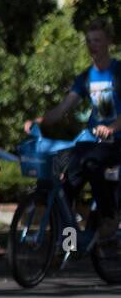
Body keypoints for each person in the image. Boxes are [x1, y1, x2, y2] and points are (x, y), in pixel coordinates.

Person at [24, 18, 120, 241]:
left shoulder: (118, 72)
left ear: (108, 43)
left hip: (115, 140)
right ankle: (68, 242)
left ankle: (109, 216)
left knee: (91, 163)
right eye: (88, 41)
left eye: (97, 40)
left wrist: (111, 128)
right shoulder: (86, 77)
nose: (92, 45)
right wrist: (39, 120)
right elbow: (63, 109)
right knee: (64, 184)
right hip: (94, 141)